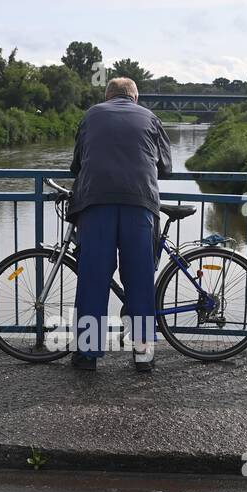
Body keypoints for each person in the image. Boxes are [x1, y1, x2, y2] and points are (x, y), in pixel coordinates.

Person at [67, 76, 172, 372]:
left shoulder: (91, 115)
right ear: (135, 98)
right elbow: (166, 167)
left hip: (96, 204)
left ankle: (87, 355)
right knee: (139, 278)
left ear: (107, 96)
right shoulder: (151, 118)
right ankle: (143, 355)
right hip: (139, 205)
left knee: (93, 279)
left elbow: (76, 164)